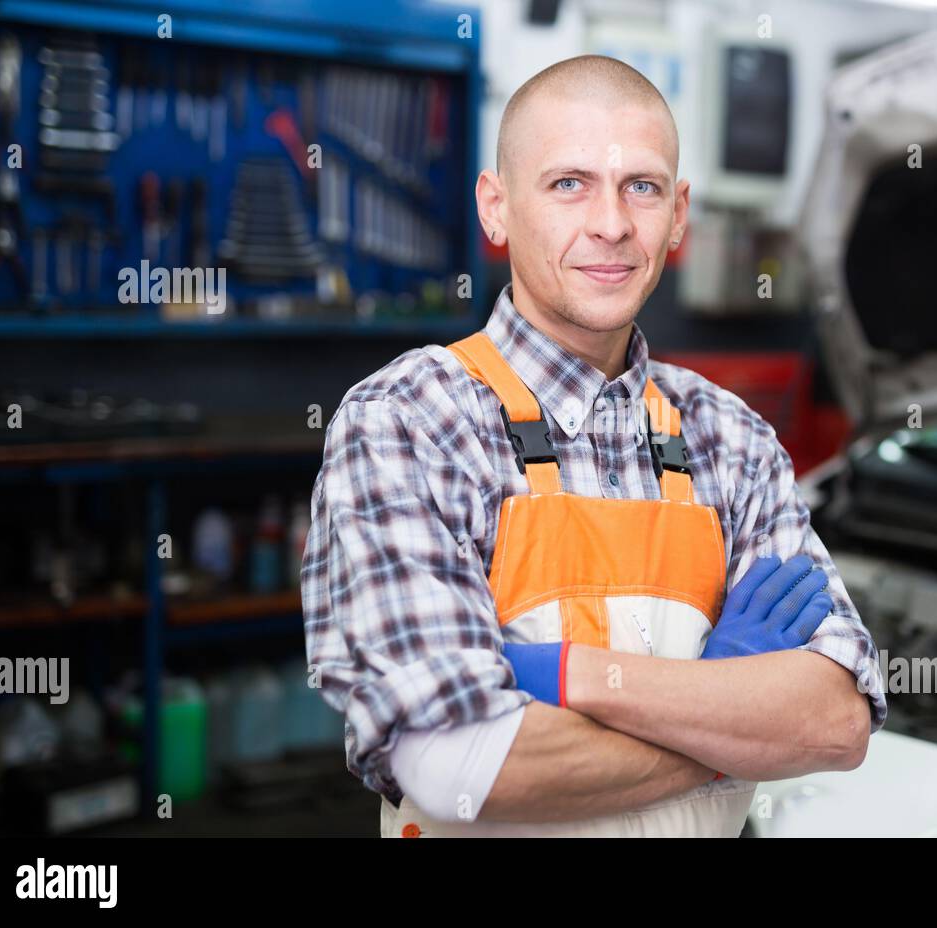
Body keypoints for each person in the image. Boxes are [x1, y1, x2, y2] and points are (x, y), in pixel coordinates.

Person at [301, 54, 887, 837]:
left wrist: (572, 681)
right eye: (569, 183)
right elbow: (460, 766)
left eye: (641, 187)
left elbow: (837, 724)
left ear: (678, 215)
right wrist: (728, 718)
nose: (611, 223)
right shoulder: (408, 423)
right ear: (497, 207)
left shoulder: (733, 440)